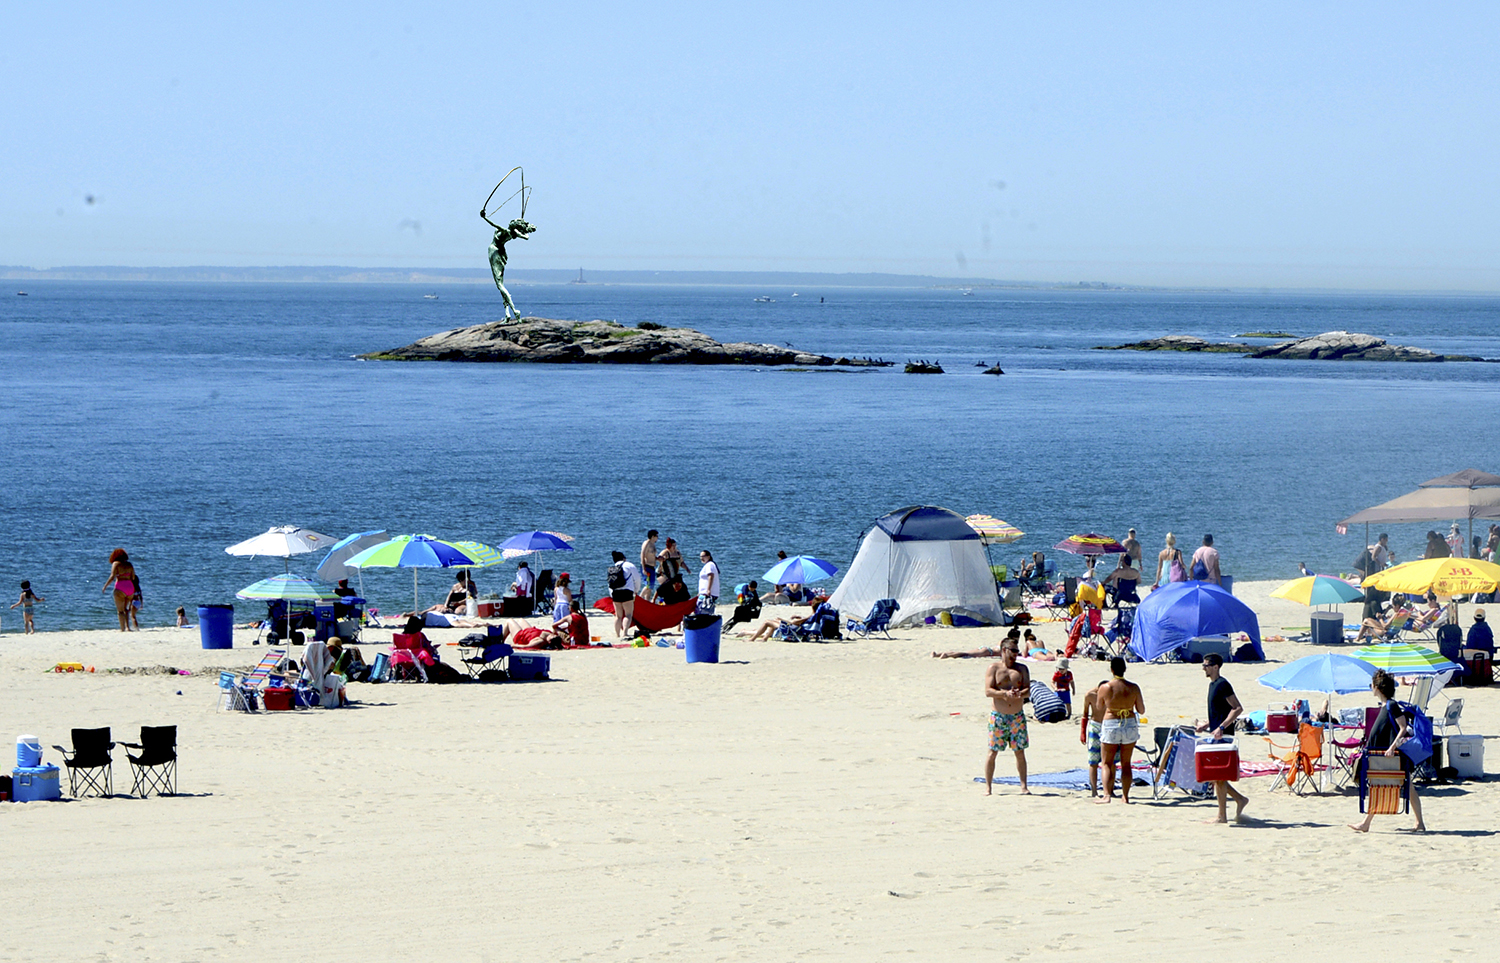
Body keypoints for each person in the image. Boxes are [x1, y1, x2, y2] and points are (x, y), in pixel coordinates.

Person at [1350, 669, 1426, 833]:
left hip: (1389, 755)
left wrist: (1392, 748)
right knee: (1402, 786)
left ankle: (1366, 823)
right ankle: (1419, 822)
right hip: (1383, 753)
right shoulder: (1385, 705)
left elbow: (1403, 727)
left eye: (1372, 685)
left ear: (1378, 687)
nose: (1371, 687)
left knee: (1382, 784)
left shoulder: (1391, 705)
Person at [1194, 653, 1248, 823]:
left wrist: (1222, 727)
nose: (1203, 668)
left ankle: (1222, 815)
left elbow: (1237, 708)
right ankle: (1239, 800)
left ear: (1215, 667)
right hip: (1217, 732)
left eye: (1206, 665)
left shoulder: (1223, 684)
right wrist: (1207, 724)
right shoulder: (1212, 685)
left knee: (1218, 776)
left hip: (1224, 735)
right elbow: (1220, 711)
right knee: (1216, 776)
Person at [983, 640, 1031, 795]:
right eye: (1013, 651)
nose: (1015, 655)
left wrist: (1019, 694)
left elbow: (1028, 690)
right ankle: (988, 787)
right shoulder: (994, 668)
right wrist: (1004, 694)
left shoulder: (1022, 669)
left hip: (1016, 716)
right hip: (998, 716)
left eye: (1017, 652)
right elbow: (988, 691)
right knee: (992, 752)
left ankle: (1023, 786)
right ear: (1004, 650)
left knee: (1020, 752)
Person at [1096, 656, 1144, 804]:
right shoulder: (1133, 687)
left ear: (1111, 669)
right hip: (1129, 722)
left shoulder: (1106, 687)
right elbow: (1141, 710)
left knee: (1107, 762)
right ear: (1125, 669)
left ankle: (1107, 795)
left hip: (1112, 722)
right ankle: (1125, 796)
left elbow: (1099, 707)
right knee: (1126, 763)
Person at [1079, 679, 1108, 797]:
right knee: (1093, 761)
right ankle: (1094, 790)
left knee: (1110, 761)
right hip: (1095, 726)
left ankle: (1109, 789)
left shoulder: (1110, 694)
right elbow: (1085, 714)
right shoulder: (1090, 695)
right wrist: (1083, 732)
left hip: (1107, 726)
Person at [606, 550, 642, 639]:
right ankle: (625, 633)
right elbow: (637, 579)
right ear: (624, 558)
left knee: (618, 616)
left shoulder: (612, 568)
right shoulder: (629, 565)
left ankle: (617, 634)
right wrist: (636, 590)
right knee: (628, 615)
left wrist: (612, 595)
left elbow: (610, 584)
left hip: (615, 593)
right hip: (627, 592)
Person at [101, 548, 138, 632]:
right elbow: (133, 577)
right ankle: (128, 627)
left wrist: (105, 586)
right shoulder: (129, 565)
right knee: (126, 609)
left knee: (120, 611)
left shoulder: (116, 564)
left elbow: (112, 576)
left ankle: (122, 629)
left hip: (120, 586)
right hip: (130, 587)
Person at [640, 530, 660, 600]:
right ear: (653, 536)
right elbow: (642, 555)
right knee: (648, 586)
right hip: (647, 566)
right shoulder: (647, 543)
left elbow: (652, 556)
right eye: (656, 536)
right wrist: (643, 568)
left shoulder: (653, 544)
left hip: (652, 567)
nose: (657, 538)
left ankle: (646, 602)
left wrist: (658, 558)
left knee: (650, 588)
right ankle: (639, 598)